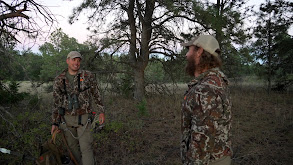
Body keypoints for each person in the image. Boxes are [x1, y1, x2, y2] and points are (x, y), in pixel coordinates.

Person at [180, 35, 232, 165]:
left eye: (189, 50)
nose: (186, 55)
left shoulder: (206, 90)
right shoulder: (214, 82)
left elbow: (202, 142)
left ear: (199, 51)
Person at [51, 51, 105, 165]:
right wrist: (55, 123)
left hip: (84, 119)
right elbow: (56, 103)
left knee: (86, 148)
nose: (76, 63)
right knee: (72, 148)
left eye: (78, 60)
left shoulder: (88, 76)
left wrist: (101, 112)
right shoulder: (59, 79)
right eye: (74, 60)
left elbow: (97, 94)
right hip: (66, 120)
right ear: (68, 61)